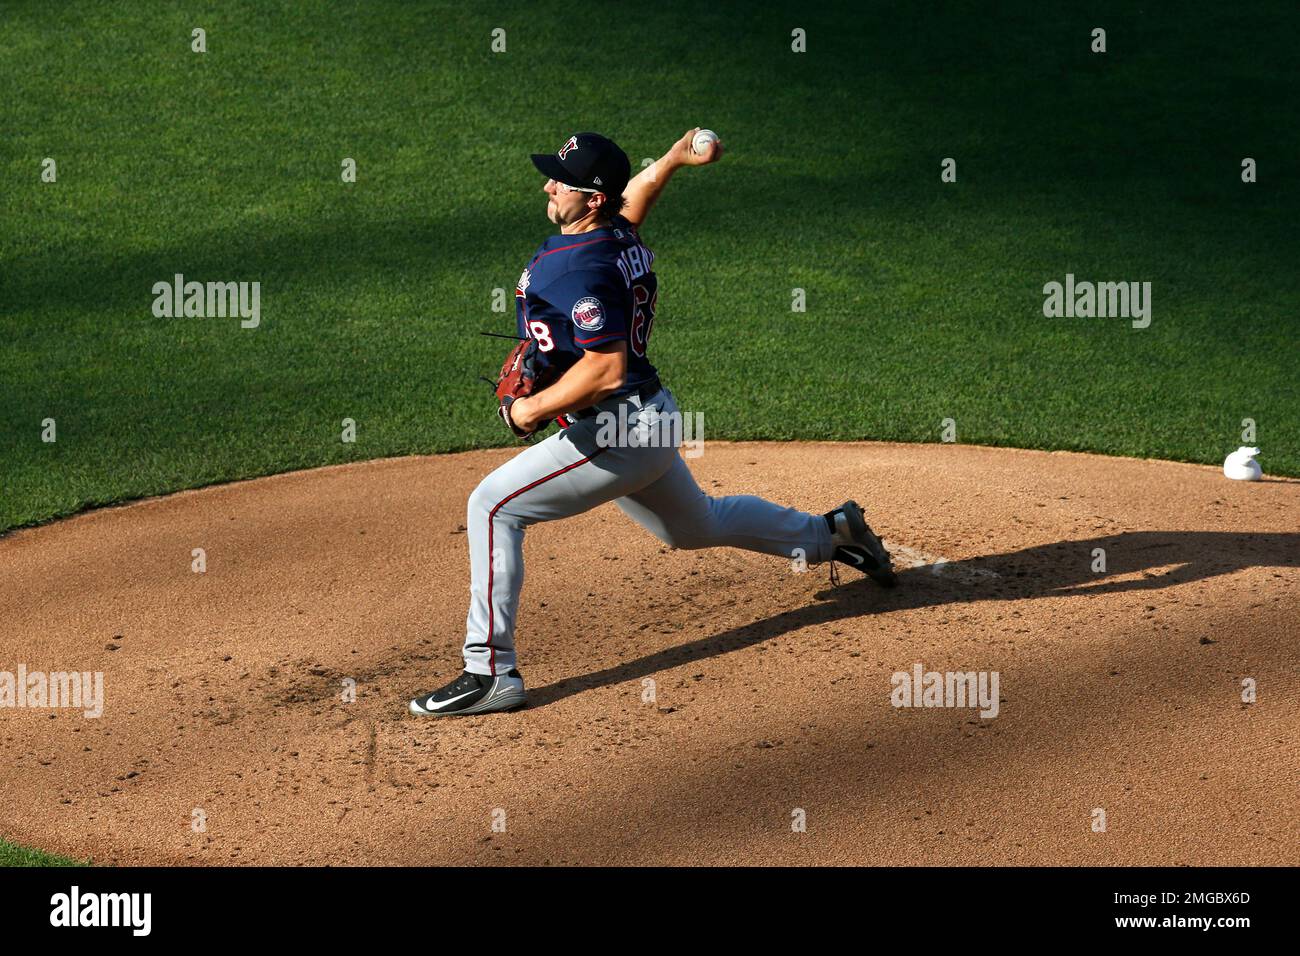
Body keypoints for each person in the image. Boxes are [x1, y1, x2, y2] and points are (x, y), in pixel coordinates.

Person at [409, 129, 895, 717]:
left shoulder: (579, 271)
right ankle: (832, 533)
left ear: (591, 199)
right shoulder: (614, 231)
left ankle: (489, 672)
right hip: (654, 420)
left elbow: (607, 369)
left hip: (620, 430)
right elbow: (634, 196)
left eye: (560, 181)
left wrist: (527, 410)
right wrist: (672, 159)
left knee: (492, 505)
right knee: (692, 527)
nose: (548, 185)